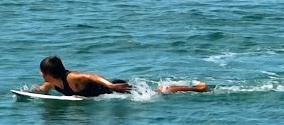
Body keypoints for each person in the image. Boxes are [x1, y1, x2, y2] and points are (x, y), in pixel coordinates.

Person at [28, 56, 210, 97]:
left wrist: (111, 86)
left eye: (41, 72)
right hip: (108, 92)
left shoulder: (72, 78)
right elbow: (44, 88)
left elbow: (91, 75)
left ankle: (198, 88)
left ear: (49, 73)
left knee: (155, 93)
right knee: (153, 92)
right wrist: (34, 92)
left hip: (113, 87)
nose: (40, 74)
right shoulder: (53, 82)